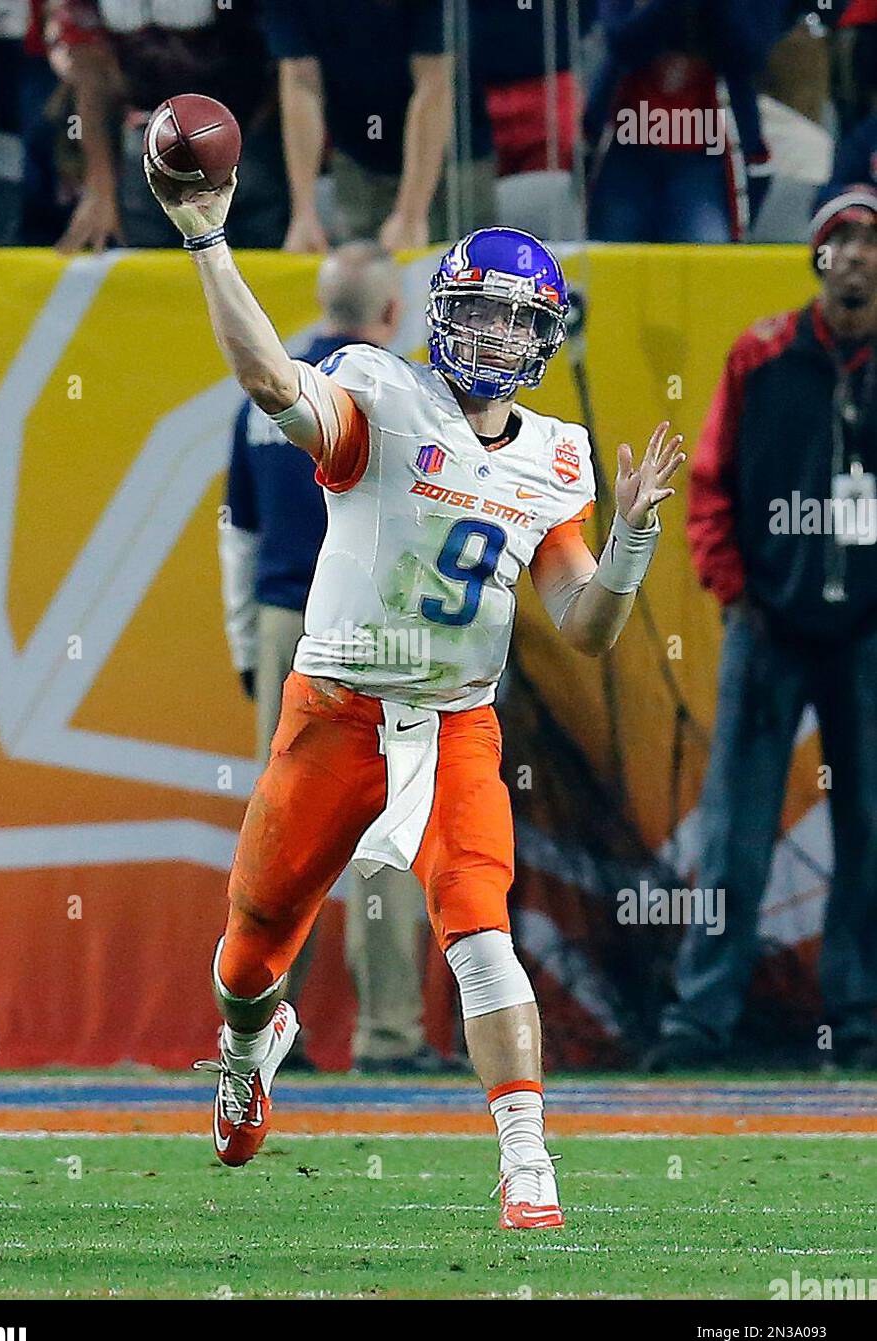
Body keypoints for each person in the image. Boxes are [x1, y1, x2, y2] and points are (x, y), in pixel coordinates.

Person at [144, 159, 682, 1229]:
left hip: (454, 723)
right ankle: (250, 1055)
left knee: (481, 927)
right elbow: (267, 382)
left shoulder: (556, 458)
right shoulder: (382, 396)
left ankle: (529, 1165)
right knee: (253, 949)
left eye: (513, 320)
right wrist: (209, 240)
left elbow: (586, 626)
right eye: (475, 313)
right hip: (334, 713)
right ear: (436, 315)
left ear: (542, 338)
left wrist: (630, 540)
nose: (490, 338)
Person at [648, 184, 877, 1073]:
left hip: (866, 636)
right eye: (839, 241)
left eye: (869, 241)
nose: (855, 255)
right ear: (816, 259)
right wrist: (734, 589)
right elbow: (710, 482)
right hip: (770, 625)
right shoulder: (762, 355)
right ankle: (701, 1019)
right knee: (731, 830)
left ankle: (859, 1018)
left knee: (869, 827)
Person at [221, 241, 454, 1075]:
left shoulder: (267, 388)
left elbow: (238, 533)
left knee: (287, 835)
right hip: (384, 626)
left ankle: (260, 1029)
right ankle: (389, 1032)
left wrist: (251, 647)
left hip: (290, 626)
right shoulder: (405, 393)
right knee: (385, 832)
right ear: (392, 315)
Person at [261, 0, 495, 253]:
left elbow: (433, 86)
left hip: (449, 162)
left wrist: (410, 215)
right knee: (361, 280)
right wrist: (303, 213)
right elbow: (300, 82)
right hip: (359, 158)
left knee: (457, 274)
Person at [54, 0, 286, 252]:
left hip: (248, 133)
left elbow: (293, 61)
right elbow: (92, 73)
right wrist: (99, 189)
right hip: (149, 137)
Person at [584, 0, 782, 242]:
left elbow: (749, 52)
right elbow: (623, 41)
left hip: (706, 159)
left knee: (707, 257)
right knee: (611, 259)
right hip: (625, 153)